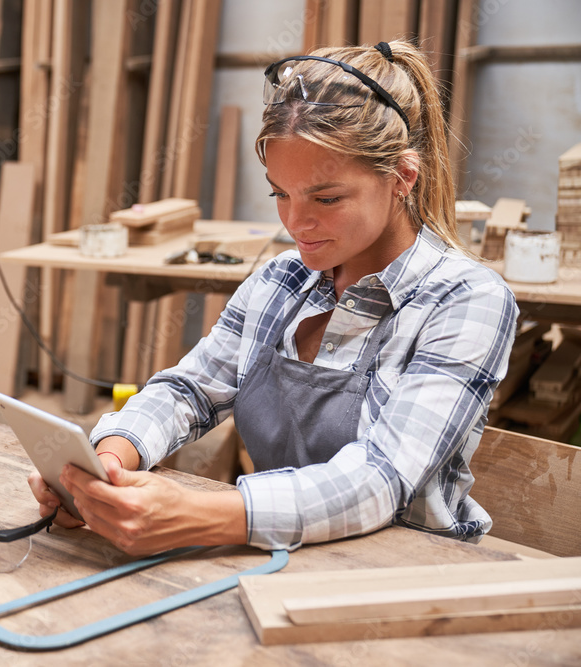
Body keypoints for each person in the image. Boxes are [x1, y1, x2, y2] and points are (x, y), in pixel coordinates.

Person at [28, 39, 519, 556]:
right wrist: (109, 459)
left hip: (409, 574)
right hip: (285, 556)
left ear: (402, 177)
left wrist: (206, 516)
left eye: (326, 198)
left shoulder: (466, 301)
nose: (295, 223)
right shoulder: (281, 282)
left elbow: (382, 479)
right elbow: (189, 390)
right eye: (280, 193)